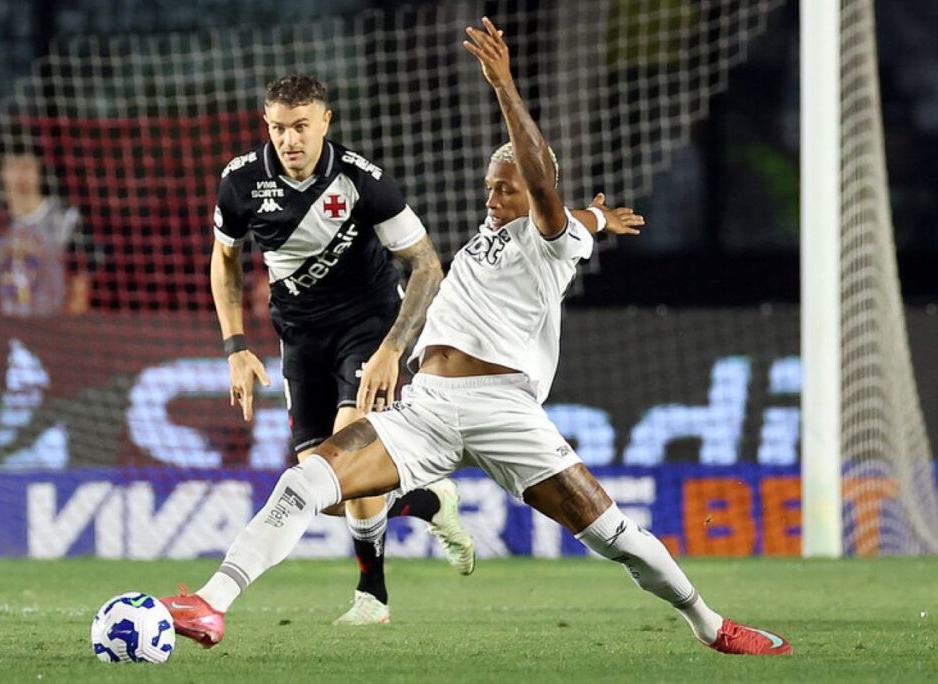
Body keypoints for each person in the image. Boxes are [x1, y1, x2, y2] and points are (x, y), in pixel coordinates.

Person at [162, 19, 791, 656]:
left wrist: (504, 86)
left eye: (505, 188)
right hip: (427, 407)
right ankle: (211, 605)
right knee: (305, 482)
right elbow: (570, 210)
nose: (492, 198)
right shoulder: (501, 235)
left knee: (613, 535)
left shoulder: (550, 240)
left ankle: (711, 624)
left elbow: (545, 188)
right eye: (490, 187)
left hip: (503, 410)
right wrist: (600, 217)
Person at [205, 74, 475, 625]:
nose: (289, 139)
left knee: (346, 462)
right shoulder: (241, 182)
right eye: (279, 128)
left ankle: (372, 596)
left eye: (301, 126)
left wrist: (393, 348)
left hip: (367, 330)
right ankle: (430, 501)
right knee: (322, 491)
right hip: (300, 339)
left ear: (325, 122)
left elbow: (427, 266)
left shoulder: (361, 180)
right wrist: (235, 346)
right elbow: (225, 258)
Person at [0, 144, 96, 318]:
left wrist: (66, 328)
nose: (21, 174)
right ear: (0, 172)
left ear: (40, 170)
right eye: (13, 166)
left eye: (27, 166)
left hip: (50, 325)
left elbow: (80, 283)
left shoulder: (66, 219)